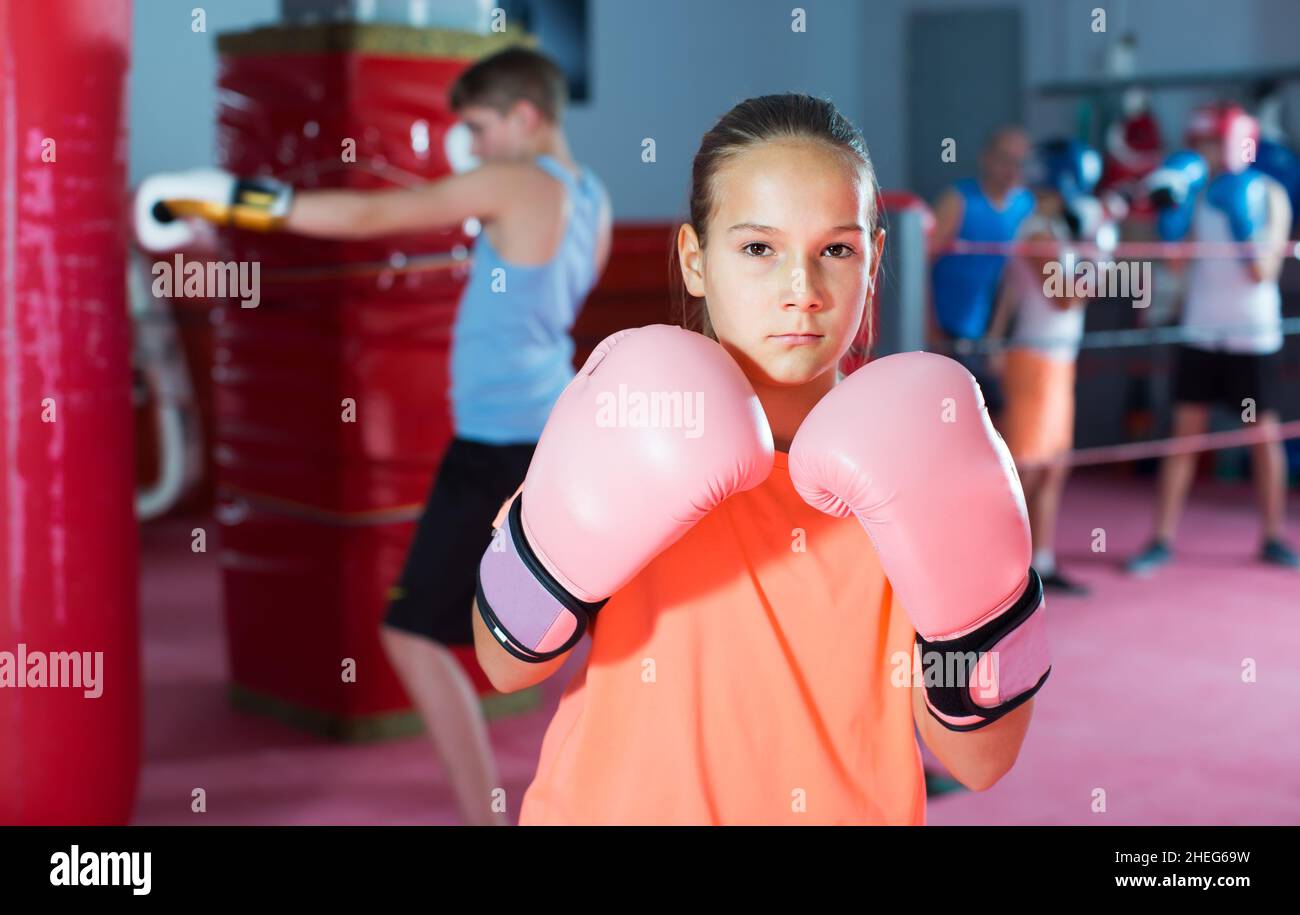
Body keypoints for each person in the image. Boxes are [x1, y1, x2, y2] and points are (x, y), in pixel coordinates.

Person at [470, 95, 1050, 825]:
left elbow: (980, 759)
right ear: (695, 259)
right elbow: (504, 663)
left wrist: (972, 609)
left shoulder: (919, 451)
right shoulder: (633, 412)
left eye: (834, 250)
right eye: (758, 249)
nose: (800, 292)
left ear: (874, 260)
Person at [134, 47, 613, 824]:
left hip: (500, 448)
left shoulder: (516, 181)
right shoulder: (591, 196)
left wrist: (227, 198)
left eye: (482, 127)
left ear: (526, 117)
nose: (474, 145)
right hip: (556, 434)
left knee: (414, 634)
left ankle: (491, 816)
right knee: (561, 624)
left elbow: (367, 217)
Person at [1128, 103, 1297, 574]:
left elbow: (1264, 271)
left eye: (1210, 142)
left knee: (1263, 437)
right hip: (1202, 329)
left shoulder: (1270, 195)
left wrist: (1243, 221)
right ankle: (1161, 538)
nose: (1206, 152)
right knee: (1183, 437)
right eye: (1199, 143)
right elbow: (1175, 266)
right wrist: (1173, 216)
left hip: (1253, 334)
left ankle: (1272, 536)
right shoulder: (1195, 193)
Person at [985, 140, 1103, 596]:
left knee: (1054, 465)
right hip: (1033, 360)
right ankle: (999, 567)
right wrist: (1098, 252)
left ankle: (1042, 562)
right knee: (1027, 467)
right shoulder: (1037, 232)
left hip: (1058, 358)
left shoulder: (1056, 228)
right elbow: (1064, 296)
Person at [928, 126, 1036, 415]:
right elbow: (919, 268)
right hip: (946, 330)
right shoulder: (957, 200)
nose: (1011, 169)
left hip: (987, 333)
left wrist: (996, 337)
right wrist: (931, 329)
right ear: (985, 159)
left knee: (991, 416)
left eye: (1020, 162)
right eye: (1004, 159)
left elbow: (1013, 278)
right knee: (948, 418)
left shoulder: (1027, 206)